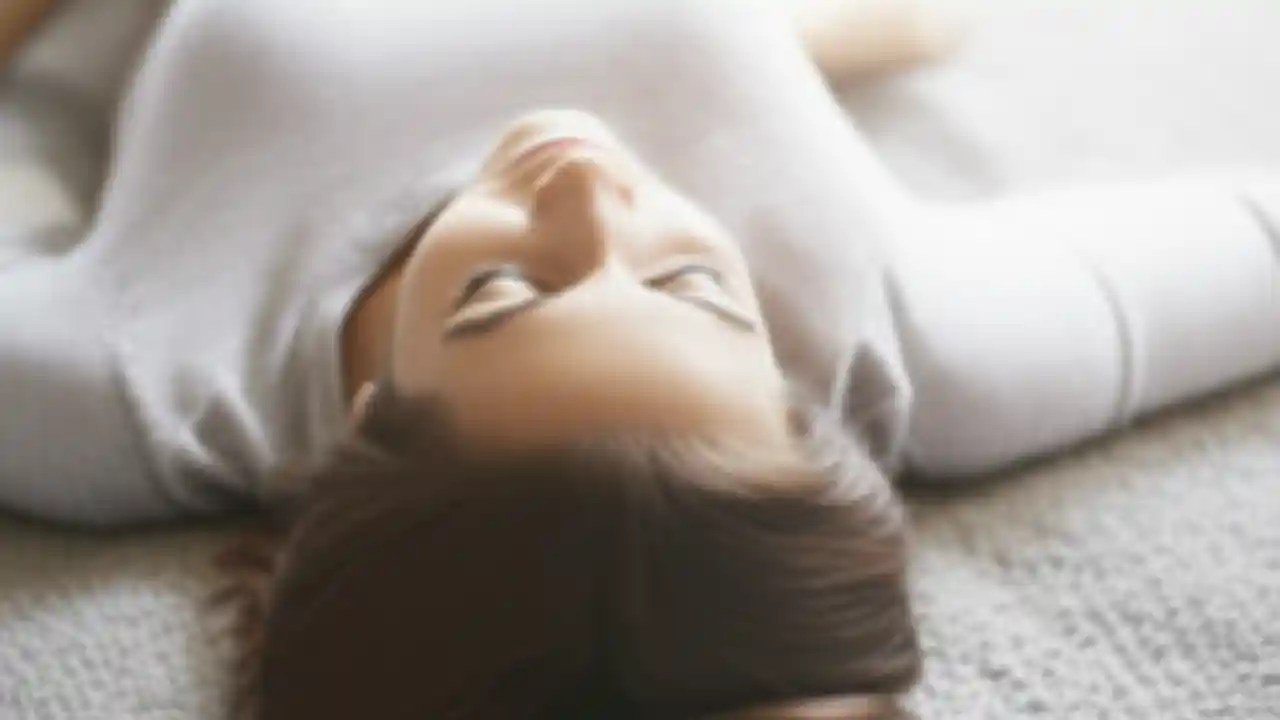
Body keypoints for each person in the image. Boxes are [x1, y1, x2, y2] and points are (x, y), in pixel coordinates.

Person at [2, 0, 1277, 717]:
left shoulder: (138, 379)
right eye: (692, 285)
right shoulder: (911, 340)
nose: (593, 194)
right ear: (796, 407)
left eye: (502, 292)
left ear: (371, 422)